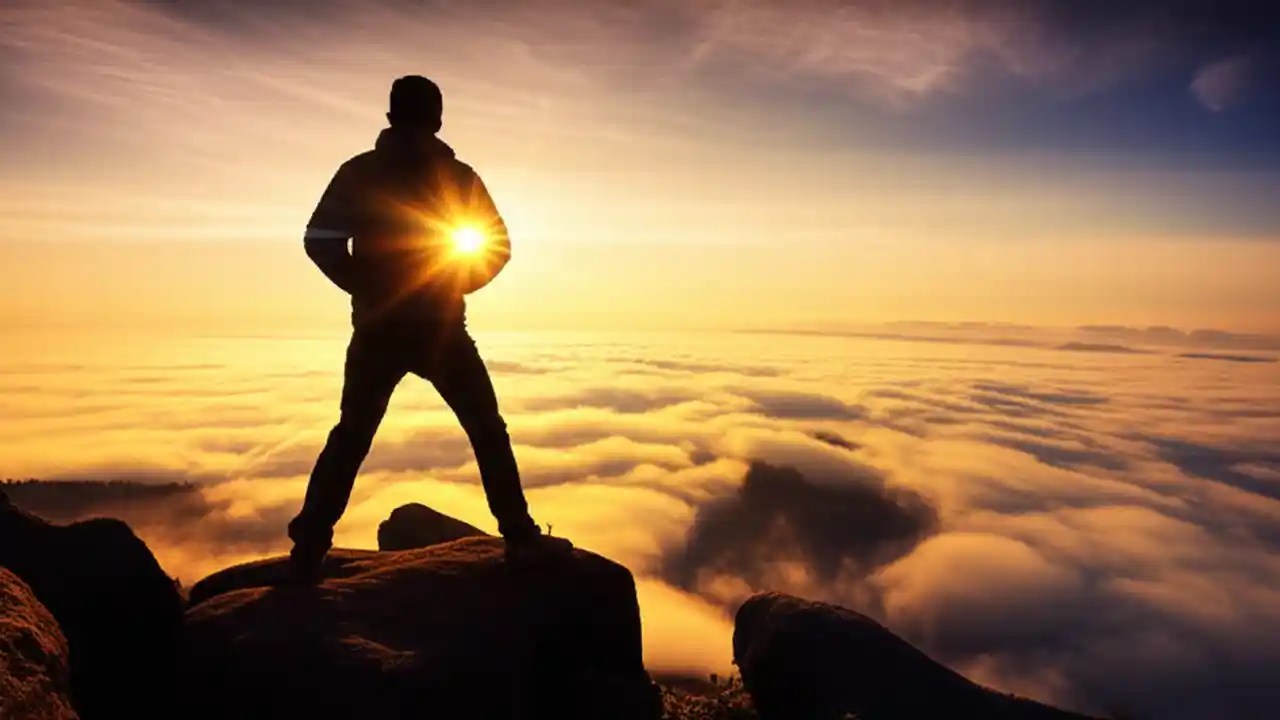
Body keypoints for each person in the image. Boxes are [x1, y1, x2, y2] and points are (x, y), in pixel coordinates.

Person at [287, 75, 570, 581]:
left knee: (352, 435)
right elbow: (497, 247)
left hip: (383, 329)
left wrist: (363, 287)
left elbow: (319, 239)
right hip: (439, 329)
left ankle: (309, 546)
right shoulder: (456, 175)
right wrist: (453, 286)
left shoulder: (362, 173)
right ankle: (520, 534)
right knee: (487, 429)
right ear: (438, 118)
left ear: (391, 115)